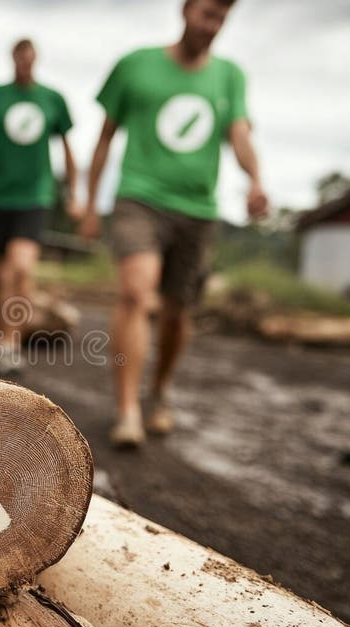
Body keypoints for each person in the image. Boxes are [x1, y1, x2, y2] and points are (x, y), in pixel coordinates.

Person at [81, 0, 268, 446]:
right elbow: (105, 137)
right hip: (139, 197)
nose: (212, 25)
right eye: (206, 13)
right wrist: (89, 204)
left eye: (221, 19)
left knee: (177, 312)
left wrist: (256, 179)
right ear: (185, 10)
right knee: (134, 291)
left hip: (198, 209)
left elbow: (240, 134)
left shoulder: (229, 75)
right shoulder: (135, 66)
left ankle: (160, 390)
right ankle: (127, 411)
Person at [0, 39, 79, 376]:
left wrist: (75, 196)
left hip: (35, 196)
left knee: (21, 269)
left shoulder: (52, 100)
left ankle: (13, 344)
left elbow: (67, 150)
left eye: (30, 57)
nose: (25, 62)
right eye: (19, 56)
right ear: (13, 58)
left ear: (36, 59)